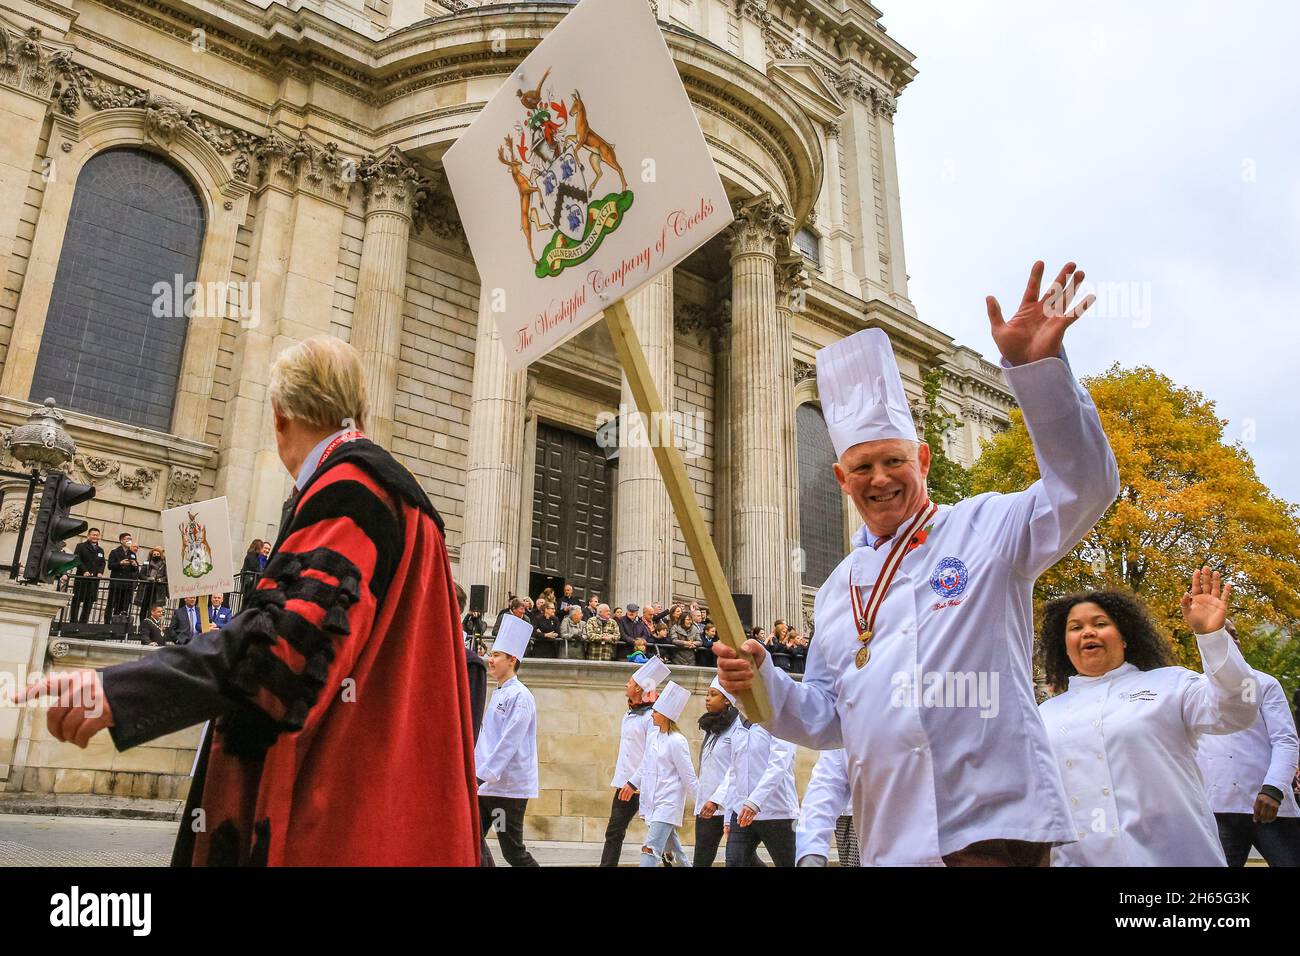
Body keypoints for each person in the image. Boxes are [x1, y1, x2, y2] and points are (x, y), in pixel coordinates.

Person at [716, 261, 1120, 866]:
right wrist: (764, 683)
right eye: (862, 467)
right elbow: (828, 720)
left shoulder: (987, 527)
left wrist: (1037, 374)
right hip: (892, 837)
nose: (879, 479)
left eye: (893, 460)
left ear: (924, 459)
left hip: (991, 827)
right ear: (841, 479)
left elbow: (1084, 487)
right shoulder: (835, 594)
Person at [20, 335, 479, 866]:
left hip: (334, 815)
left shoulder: (350, 489)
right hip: (395, 808)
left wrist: (123, 690)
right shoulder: (393, 494)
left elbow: (280, 647)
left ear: (280, 415)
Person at [1037, 569, 1259, 865]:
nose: (1088, 632)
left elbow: (1237, 711)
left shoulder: (1170, 684)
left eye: (1100, 623)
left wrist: (1212, 637)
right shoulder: (1044, 714)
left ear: (1125, 637)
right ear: (1064, 645)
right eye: (1075, 628)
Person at [1197, 620, 1300, 866]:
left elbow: (1285, 740)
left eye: (1236, 633)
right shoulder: (1193, 688)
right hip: (1216, 809)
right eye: (1224, 635)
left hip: (1268, 807)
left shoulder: (1265, 684)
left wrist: (1274, 788)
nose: (1234, 640)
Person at [476, 614, 540, 867]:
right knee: (470, 841)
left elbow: (509, 742)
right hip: (486, 784)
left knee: (513, 852)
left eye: (497, 655)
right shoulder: (499, 692)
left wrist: (484, 773)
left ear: (512, 660)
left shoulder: (521, 697)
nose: (490, 660)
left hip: (507, 789)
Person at [600, 657, 667, 867]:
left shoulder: (651, 718)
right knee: (614, 832)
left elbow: (652, 754)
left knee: (661, 836)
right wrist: (625, 782)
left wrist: (633, 782)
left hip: (647, 785)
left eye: (630, 682)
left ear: (638, 688)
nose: (626, 686)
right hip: (624, 784)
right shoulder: (628, 715)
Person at [625, 681, 697, 867]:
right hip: (652, 802)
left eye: (656, 711)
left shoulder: (677, 741)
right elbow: (644, 766)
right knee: (677, 852)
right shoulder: (653, 736)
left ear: (665, 716)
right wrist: (631, 783)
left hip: (668, 803)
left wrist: (701, 803)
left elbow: (688, 776)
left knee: (650, 849)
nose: (652, 714)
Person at [694, 677, 742, 868]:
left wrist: (717, 799)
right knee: (702, 859)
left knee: (741, 859)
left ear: (727, 700)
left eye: (713, 695)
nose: (707, 698)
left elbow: (735, 768)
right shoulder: (711, 728)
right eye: (707, 694)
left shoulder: (737, 727)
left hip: (728, 804)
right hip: (706, 805)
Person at [796, 749, 858, 867]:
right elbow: (826, 782)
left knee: (855, 862)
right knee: (845, 862)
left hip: (862, 815)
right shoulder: (838, 738)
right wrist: (811, 852)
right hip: (841, 813)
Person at [71, 529, 106, 623]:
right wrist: (84, 571)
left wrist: (100, 572)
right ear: (88, 536)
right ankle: (73, 622)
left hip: (94, 580)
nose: (95, 537)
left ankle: (83, 622)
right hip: (82, 578)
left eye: (97, 535)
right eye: (93, 535)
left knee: (89, 601)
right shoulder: (81, 546)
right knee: (77, 600)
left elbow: (102, 563)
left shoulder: (100, 550)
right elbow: (77, 559)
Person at [105, 532, 139, 623]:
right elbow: (110, 566)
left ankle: (119, 624)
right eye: (127, 539)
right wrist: (120, 563)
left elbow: (134, 569)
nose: (129, 541)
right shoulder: (115, 552)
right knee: (111, 604)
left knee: (124, 605)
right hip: (116, 583)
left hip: (127, 584)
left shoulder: (132, 553)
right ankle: (107, 623)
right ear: (121, 540)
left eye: (130, 539)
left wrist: (135, 565)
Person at [136, 548, 167, 629]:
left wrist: (160, 580)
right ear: (151, 555)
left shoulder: (164, 564)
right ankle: (142, 626)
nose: (156, 556)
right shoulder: (146, 563)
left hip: (158, 590)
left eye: (157, 554)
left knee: (156, 609)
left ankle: (154, 626)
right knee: (144, 608)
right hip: (146, 588)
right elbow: (141, 575)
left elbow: (166, 576)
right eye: (154, 554)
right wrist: (148, 578)